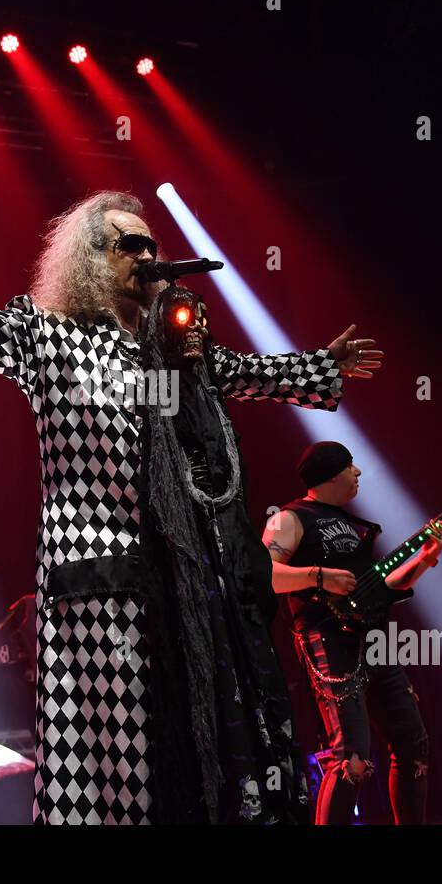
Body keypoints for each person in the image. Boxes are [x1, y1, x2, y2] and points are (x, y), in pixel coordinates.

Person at [0, 172, 383, 823]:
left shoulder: (177, 354)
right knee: (108, 779)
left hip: (189, 596)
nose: (144, 257)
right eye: (125, 246)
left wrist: (320, 366)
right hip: (102, 595)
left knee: (198, 768)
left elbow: (246, 372)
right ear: (89, 261)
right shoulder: (50, 339)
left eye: (148, 245)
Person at [136, 284, 311, 823]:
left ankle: (281, 799)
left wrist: (326, 362)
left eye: (204, 318)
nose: (198, 328)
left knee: (258, 674)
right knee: (209, 680)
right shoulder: (152, 380)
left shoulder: (210, 371)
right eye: (186, 318)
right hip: (188, 564)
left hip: (233, 555)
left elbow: (268, 373)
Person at [262, 441, 442, 824]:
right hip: (328, 641)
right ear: (331, 473)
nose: (358, 472)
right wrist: (319, 576)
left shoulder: (350, 523)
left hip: (374, 640)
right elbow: (262, 575)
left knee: (413, 742)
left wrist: (424, 560)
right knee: (352, 757)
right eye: (350, 466)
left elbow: (378, 587)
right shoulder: (290, 518)